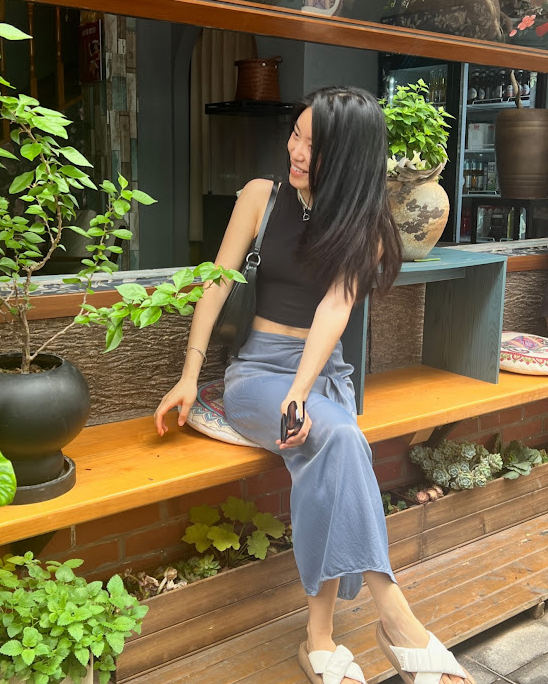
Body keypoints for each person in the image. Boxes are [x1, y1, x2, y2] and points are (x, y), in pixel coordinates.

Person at [154, 86, 474, 684]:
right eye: (296, 135)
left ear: (348, 157)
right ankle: (397, 621)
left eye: (314, 145)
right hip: (257, 372)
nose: (296, 151)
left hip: (322, 373)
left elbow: (335, 308)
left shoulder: (365, 225)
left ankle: (320, 640)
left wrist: (302, 392)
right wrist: (190, 374)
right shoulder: (260, 197)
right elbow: (217, 282)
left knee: (327, 453)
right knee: (341, 440)